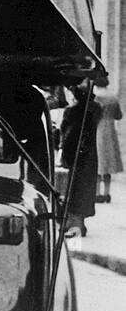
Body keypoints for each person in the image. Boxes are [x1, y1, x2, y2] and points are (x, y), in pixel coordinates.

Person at [60, 82, 101, 238]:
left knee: (75, 187)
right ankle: (79, 223)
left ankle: (74, 225)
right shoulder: (95, 109)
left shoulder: (72, 112)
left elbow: (66, 132)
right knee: (85, 187)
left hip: (76, 153)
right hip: (90, 154)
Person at [95, 84, 123, 204]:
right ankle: (106, 193)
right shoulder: (113, 96)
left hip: (98, 129)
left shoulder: (96, 96)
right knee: (108, 163)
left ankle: (96, 193)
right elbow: (119, 115)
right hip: (110, 130)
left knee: (98, 162)